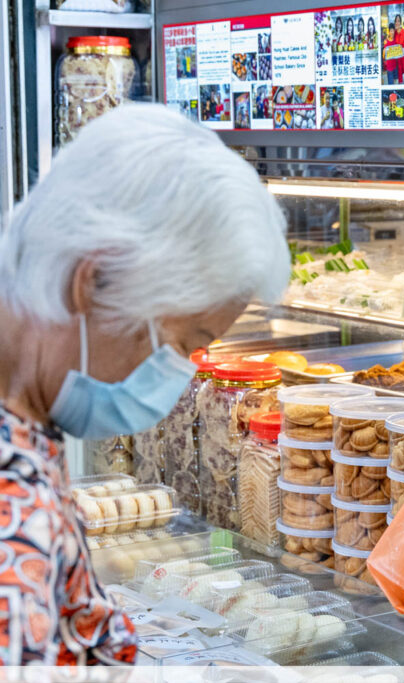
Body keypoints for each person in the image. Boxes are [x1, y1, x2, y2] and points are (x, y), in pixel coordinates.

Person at [0, 104, 290, 664]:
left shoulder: (30, 415)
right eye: (184, 343)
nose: (181, 375)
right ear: (92, 282)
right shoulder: (13, 516)